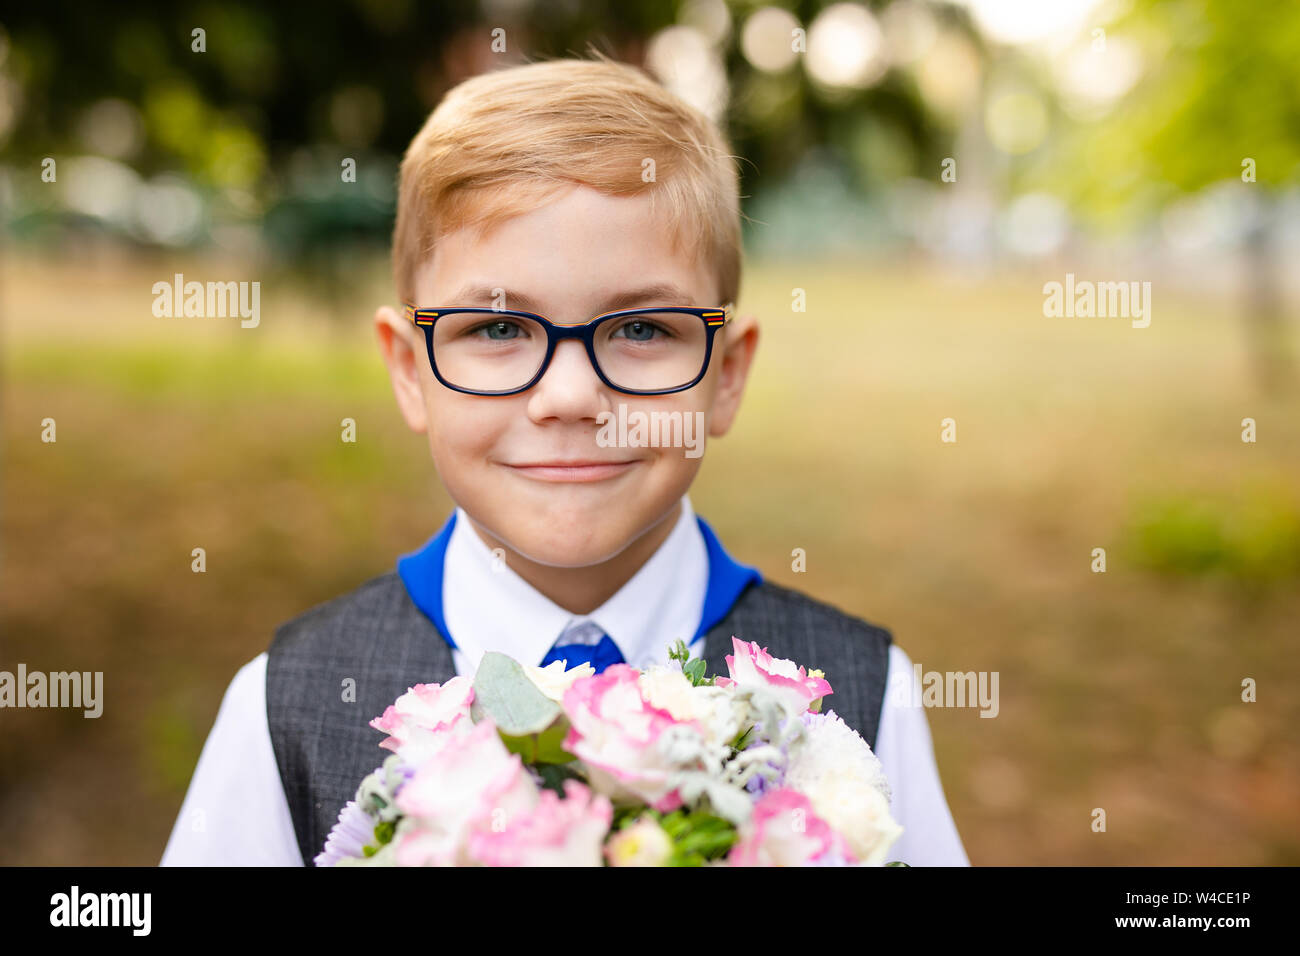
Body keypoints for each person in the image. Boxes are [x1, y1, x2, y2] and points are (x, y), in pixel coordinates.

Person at [161, 55, 969, 867]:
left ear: (726, 376)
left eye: (644, 329)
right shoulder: (285, 709)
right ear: (410, 371)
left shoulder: (865, 696)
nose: (571, 396)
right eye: (499, 330)